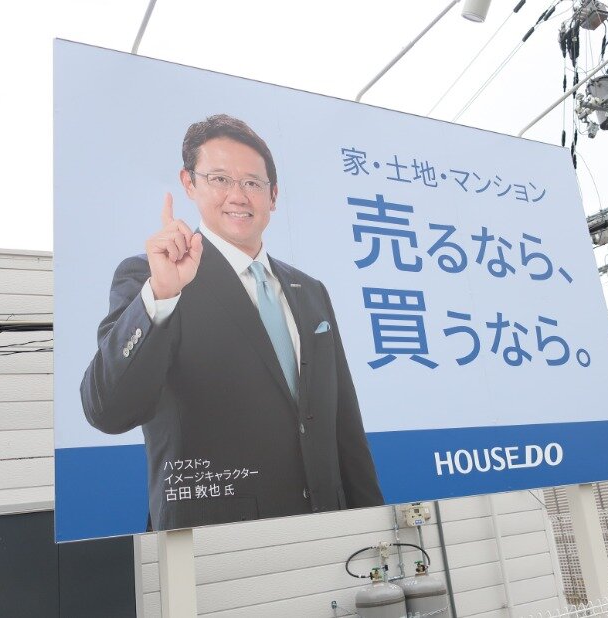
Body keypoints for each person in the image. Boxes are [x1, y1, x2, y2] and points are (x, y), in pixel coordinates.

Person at [80, 114, 384, 530]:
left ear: (273, 196)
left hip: (327, 529)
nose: (238, 196)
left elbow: (344, 425)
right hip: (215, 539)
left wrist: (371, 521)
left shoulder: (310, 291)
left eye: (253, 183)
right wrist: (162, 295)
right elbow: (106, 411)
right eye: (220, 179)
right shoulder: (152, 278)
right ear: (189, 184)